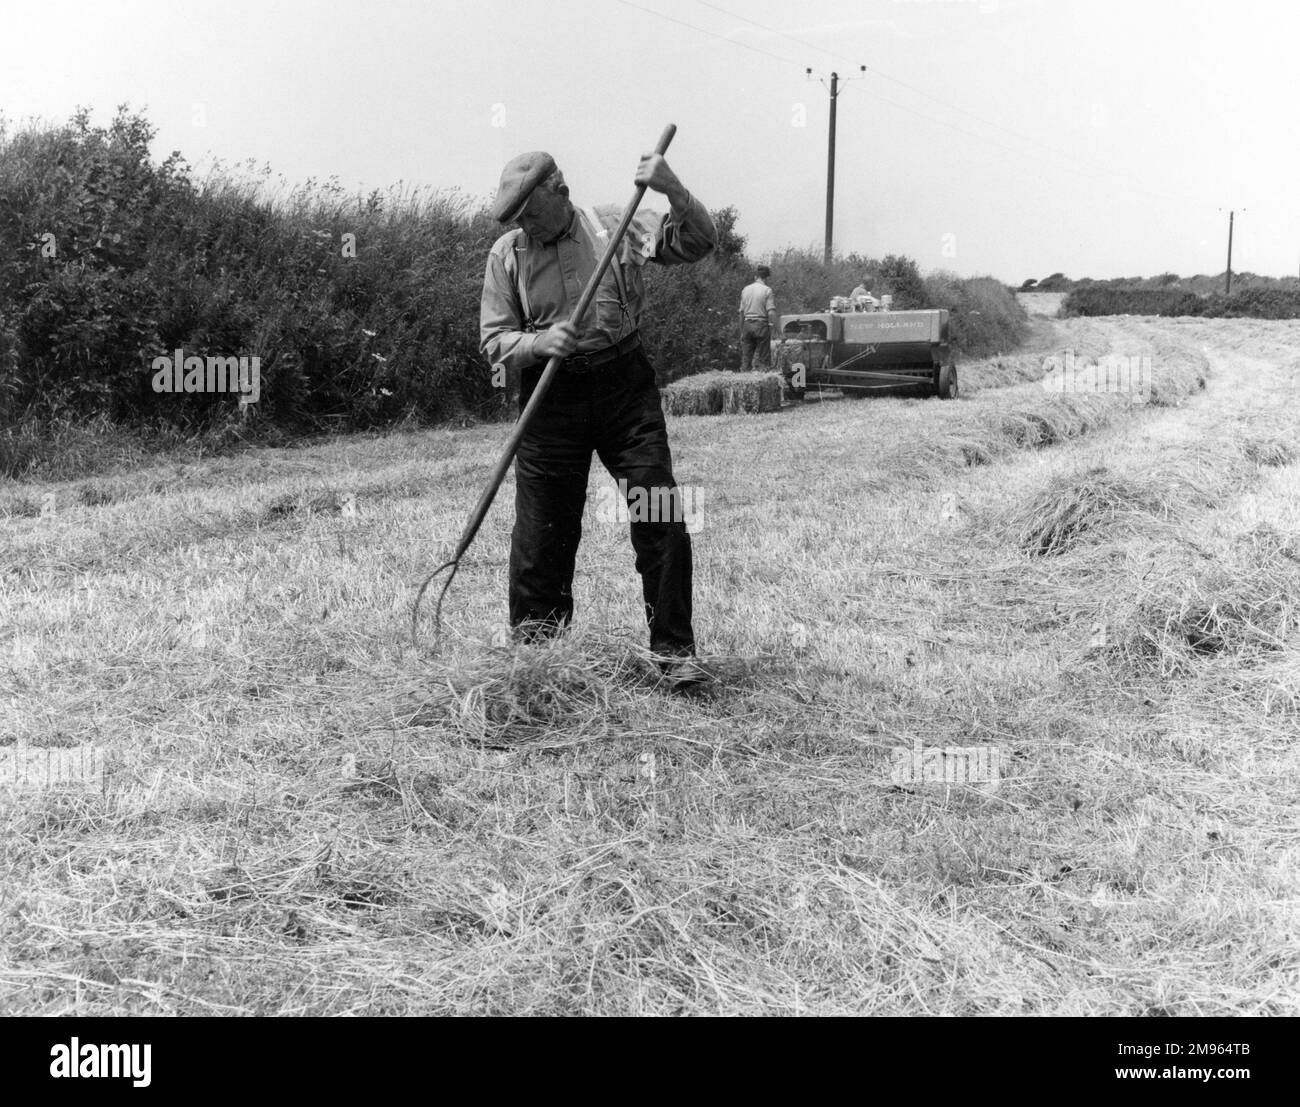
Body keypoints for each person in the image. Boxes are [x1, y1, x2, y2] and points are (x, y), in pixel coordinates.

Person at [480, 148, 717, 690]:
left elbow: (698, 243)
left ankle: (674, 654)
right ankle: (537, 662)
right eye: (514, 216)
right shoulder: (507, 254)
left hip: (623, 390)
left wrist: (672, 188)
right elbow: (494, 341)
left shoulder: (616, 224)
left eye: (529, 211)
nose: (523, 224)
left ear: (558, 193)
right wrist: (541, 342)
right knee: (543, 536)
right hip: (549, 399)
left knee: (658, 514)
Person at [738, 265, 778, 370]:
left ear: (755, 276)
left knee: (746, 359)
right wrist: (778, 330)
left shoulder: (745, 290)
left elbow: (741, 313)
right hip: (761, 325)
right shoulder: (767, 290)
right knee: (764, 360)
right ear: (767, 278)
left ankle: (744, 378)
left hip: (747, 325)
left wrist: (742, 331)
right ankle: (764, 378)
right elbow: (771, 313)